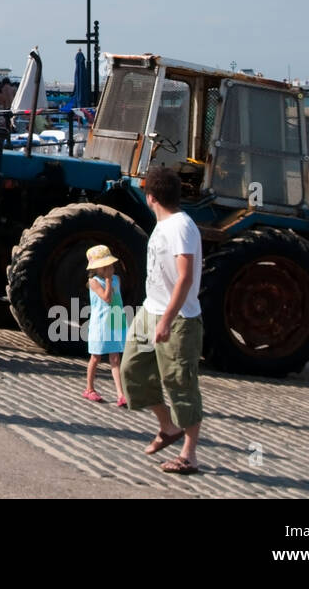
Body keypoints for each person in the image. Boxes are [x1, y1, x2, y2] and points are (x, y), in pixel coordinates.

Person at [120, 165, 204, 473]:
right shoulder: (164, 223)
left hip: (179, 317)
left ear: (150, 197)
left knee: (181, 384)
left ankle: (189, 455)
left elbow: (185, 278)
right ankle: (168, 426)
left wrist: (167, 320)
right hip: (150, 309)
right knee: (132, 369)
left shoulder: (180, 227)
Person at [82, 244, 127, 406]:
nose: (110, 268)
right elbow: (107, 298)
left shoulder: (117, 279)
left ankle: (121, 394)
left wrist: (111, 279)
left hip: (114, 320)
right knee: (96, 356)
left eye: (111, 265)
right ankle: (89, 388)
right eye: (106, 266)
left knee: (115, 357)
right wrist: (107, 280)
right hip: (100, 323)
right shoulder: (94, 282)